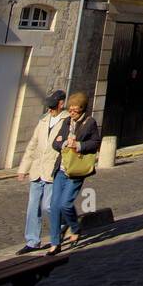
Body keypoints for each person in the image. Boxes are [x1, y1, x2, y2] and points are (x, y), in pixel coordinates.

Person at [46, 92, 101, 255]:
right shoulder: (66, 122)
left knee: (65, 203)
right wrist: (63, 143)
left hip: (76, 170)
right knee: (54, 206)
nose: (72, 113)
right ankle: (55, 243)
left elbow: (95, 143)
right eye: (70, 110)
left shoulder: (89, 123)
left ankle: (75, 228)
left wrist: (78, 145)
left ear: (82, 109)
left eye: (75, 110)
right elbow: (56, 142)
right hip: (61, 169)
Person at [16, 90, 66, 253]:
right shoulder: (43, 120)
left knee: (48, 206)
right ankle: (32, 241)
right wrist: (24, 168)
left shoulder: (67, 121)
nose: (50, 109)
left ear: (61, 103)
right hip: (37, 168)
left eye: (53, 105)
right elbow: (33, 144)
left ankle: (66, 221)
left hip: (53, 169)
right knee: (33, 206)